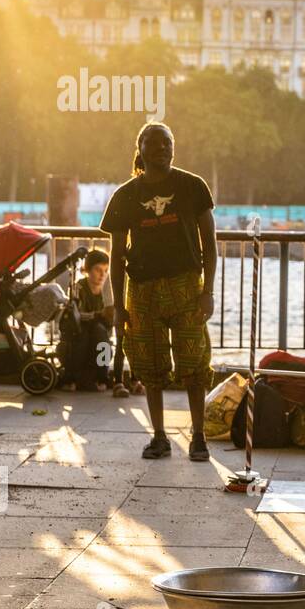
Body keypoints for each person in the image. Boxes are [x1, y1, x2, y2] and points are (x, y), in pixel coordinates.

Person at [100, 122, 217, 462]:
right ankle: (160, 436)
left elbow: (209, 244)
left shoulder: (193, 187)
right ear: (141, 150)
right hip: (142, 290)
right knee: (150, 366)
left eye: (167, 142)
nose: (162, 148)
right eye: (154, 143)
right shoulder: (125, 196)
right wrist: (119, 306)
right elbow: (117, 255)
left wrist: (207, 291)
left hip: (186, 287)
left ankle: (198, 436)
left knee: (195, 363)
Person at [61, 248, 115, 392]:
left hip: (100, 327)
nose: (102, 274)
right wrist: (98, 314)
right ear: (88, 270)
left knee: (101, 337)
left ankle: (103, 377)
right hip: (81, 325)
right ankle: (71, 377)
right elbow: (77, 313)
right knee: (81, 338)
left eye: (105, 270)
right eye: (98, 270)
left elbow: (110, 315)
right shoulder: (79, 286)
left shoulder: (107, 289)